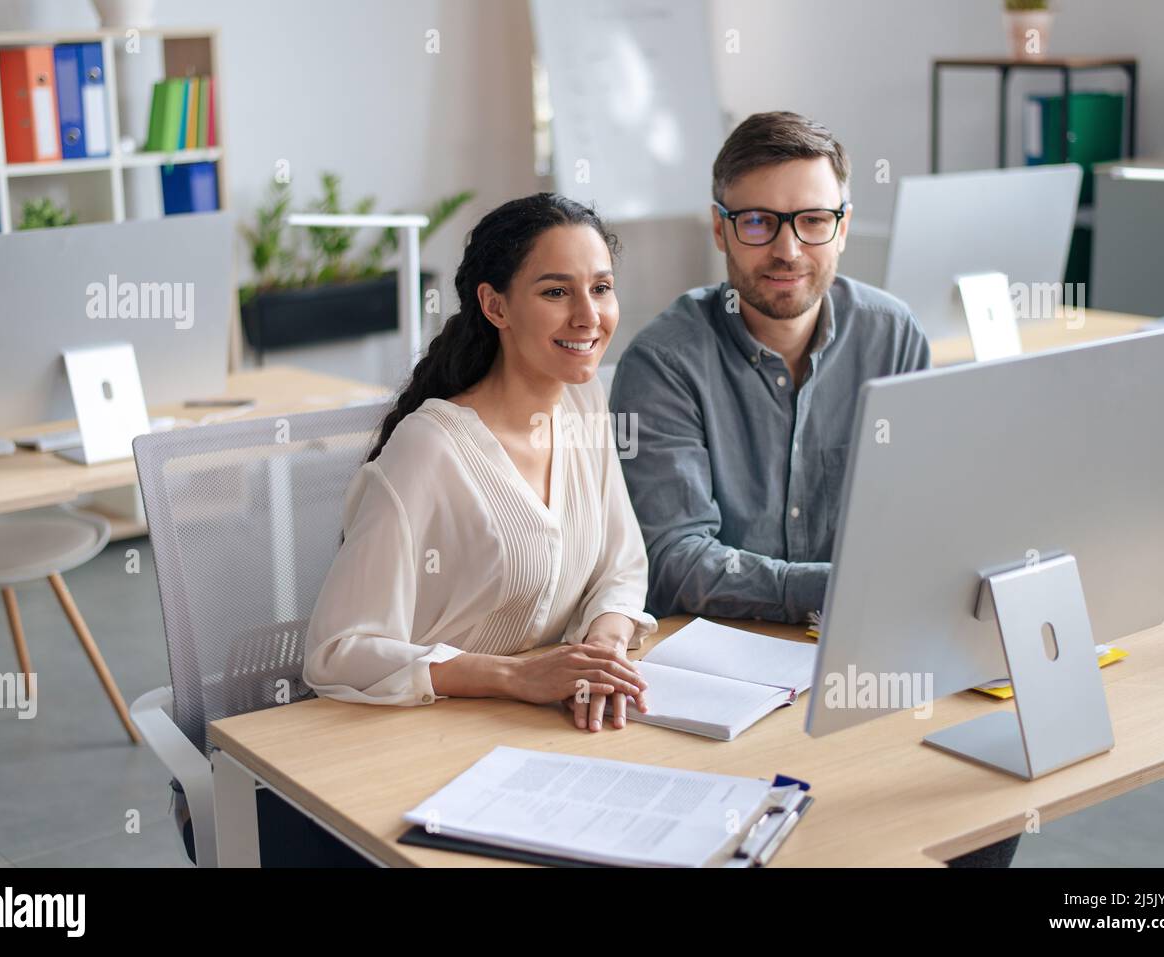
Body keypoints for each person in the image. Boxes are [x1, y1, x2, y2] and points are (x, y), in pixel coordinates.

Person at [611, 111, 1018, 868]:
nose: (788, 249)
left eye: (812, 220)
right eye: (760, 222)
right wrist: (845, 586)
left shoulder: (892, 335)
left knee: (981, 807)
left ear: (843, 224)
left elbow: (922, 522)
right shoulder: (664, 360)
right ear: (721, 228)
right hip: (718, 681)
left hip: (860, 666)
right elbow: (676, 561)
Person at [304, 192, 655, 735]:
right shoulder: (429, 448)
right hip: (416, 738)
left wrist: (601, 651)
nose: (589, 316)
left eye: (601, 288)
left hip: (540, 729)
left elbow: (621, 564)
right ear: (495, 306)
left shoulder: (583, 400)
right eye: (557, 291)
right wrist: (514, 676)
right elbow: (337, 652)